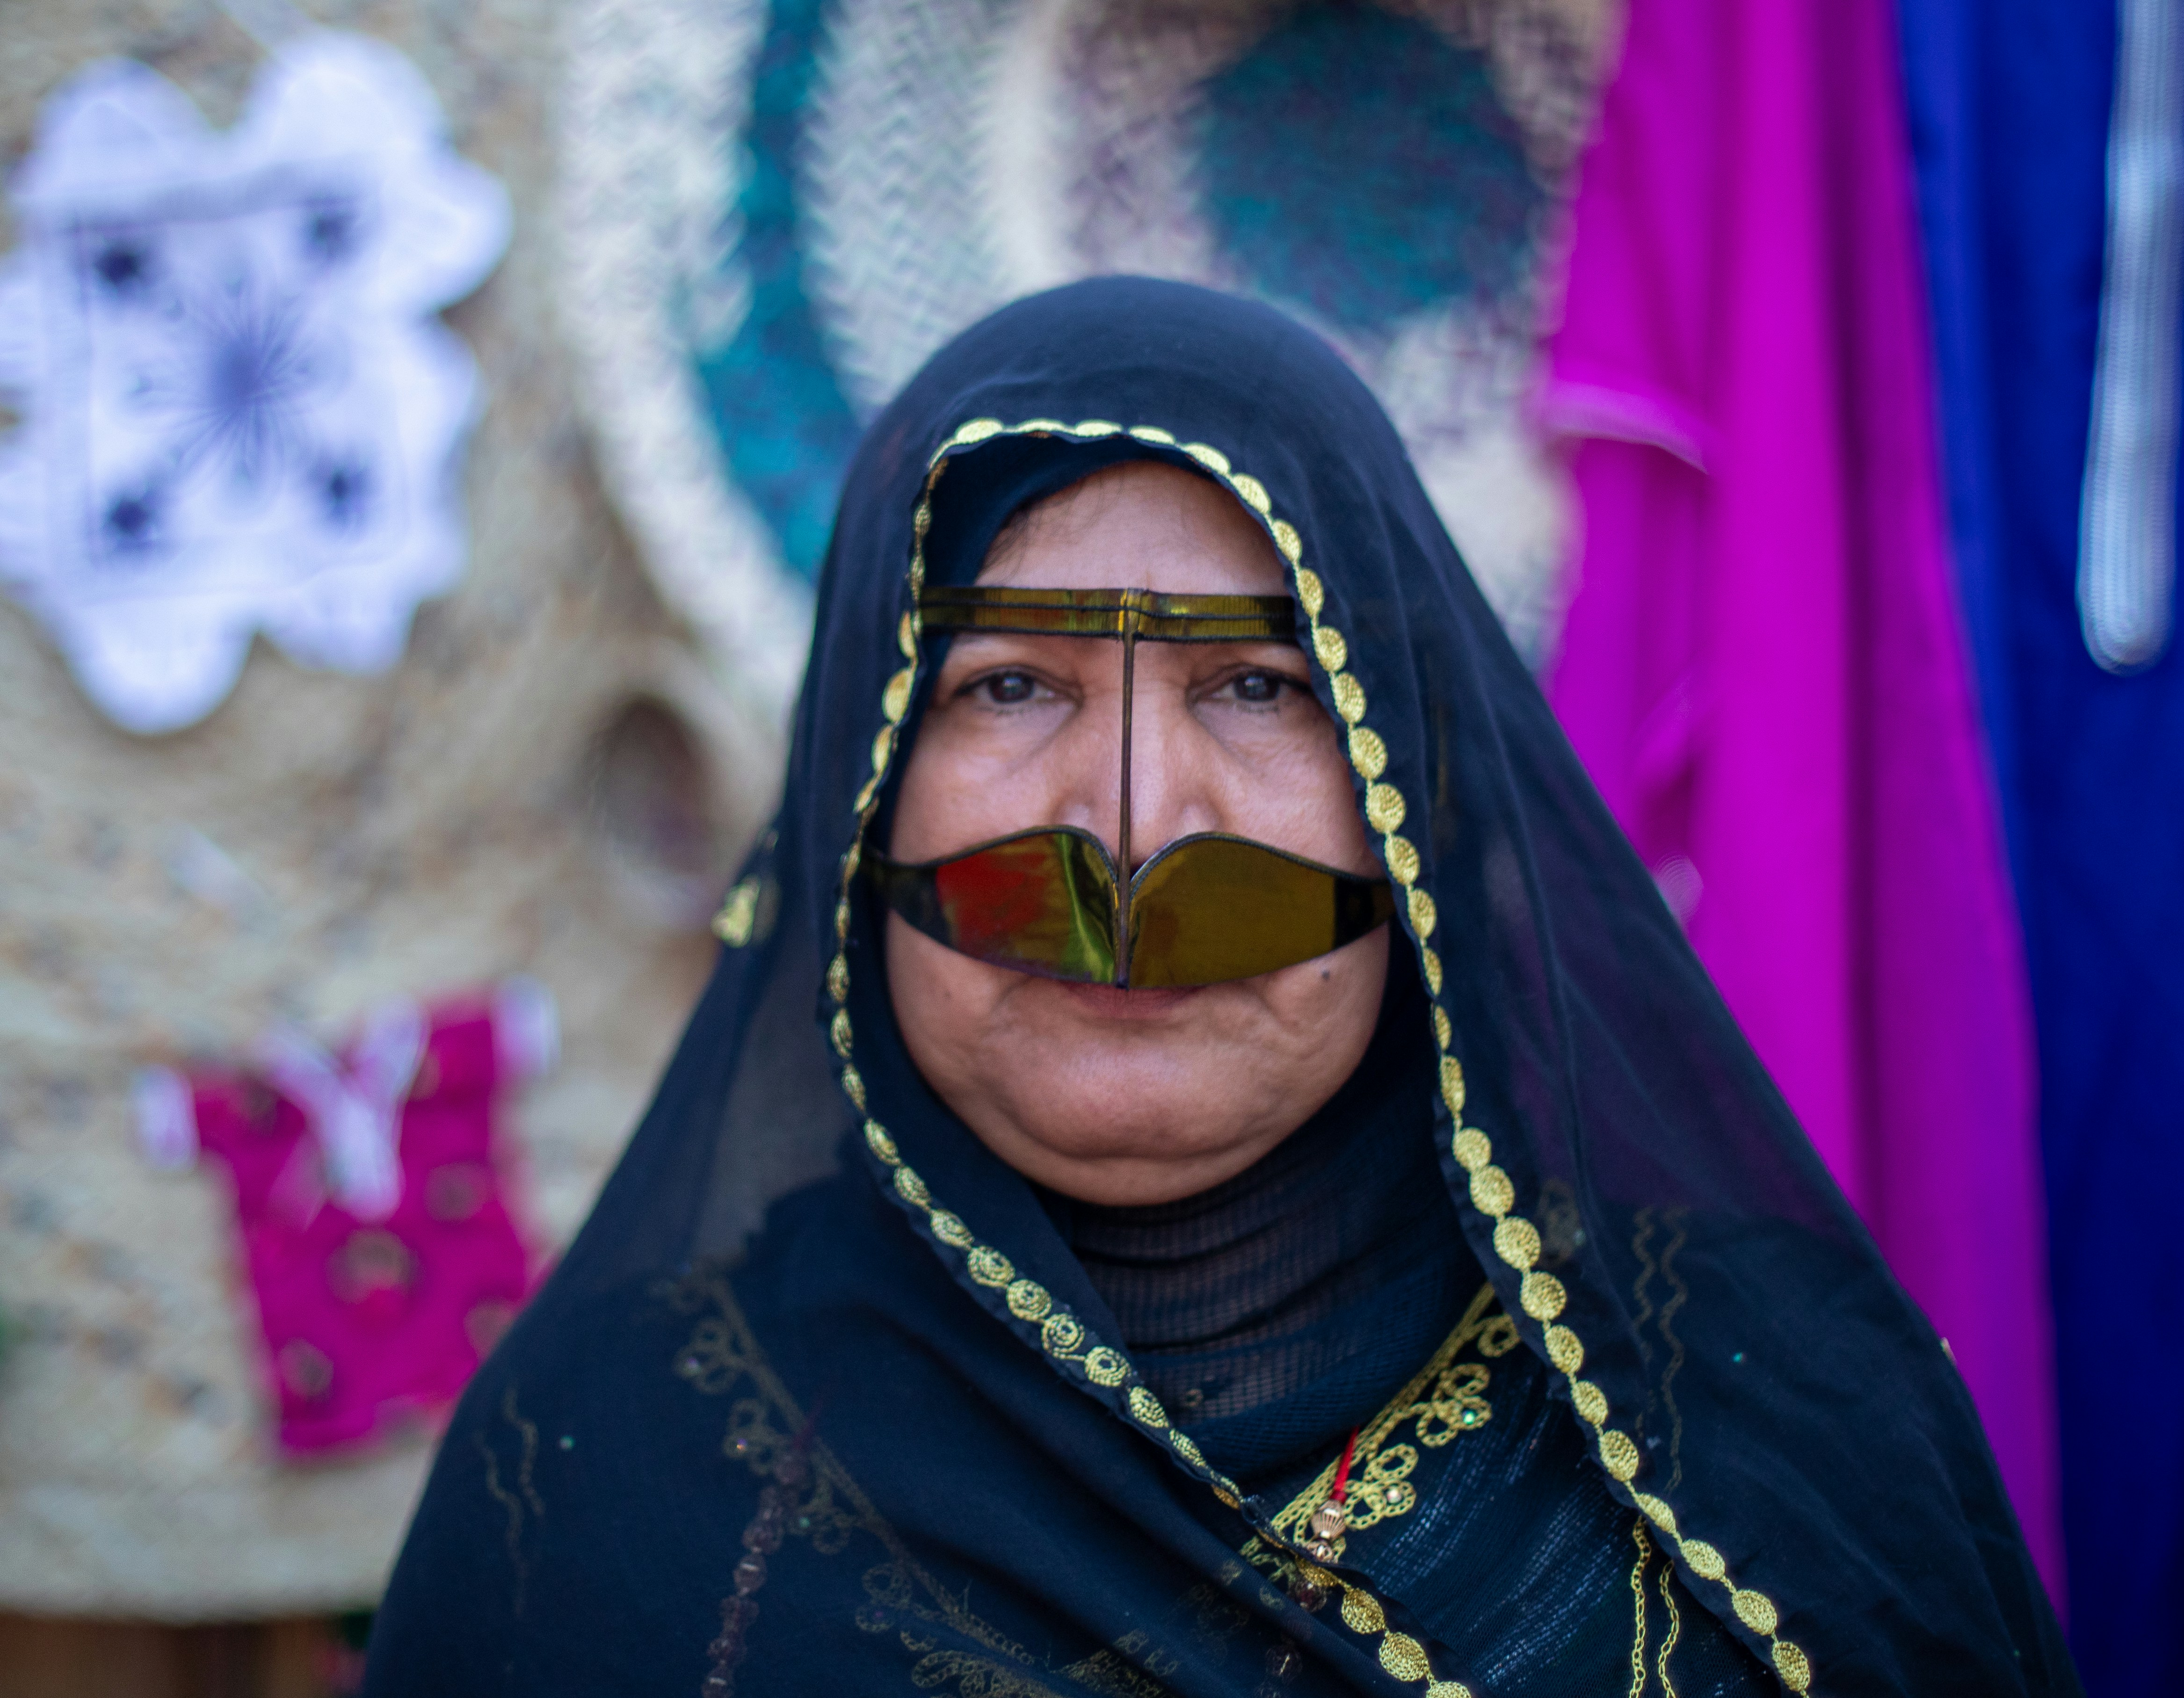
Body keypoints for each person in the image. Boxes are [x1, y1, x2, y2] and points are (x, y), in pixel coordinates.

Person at [364, 279, 2074, 1697]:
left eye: (1258, 687)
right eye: (1012, 684)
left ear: (1416, 798)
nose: (1127, 835)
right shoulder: (610, 1482)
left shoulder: (1764, 1411)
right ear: (855, 794)